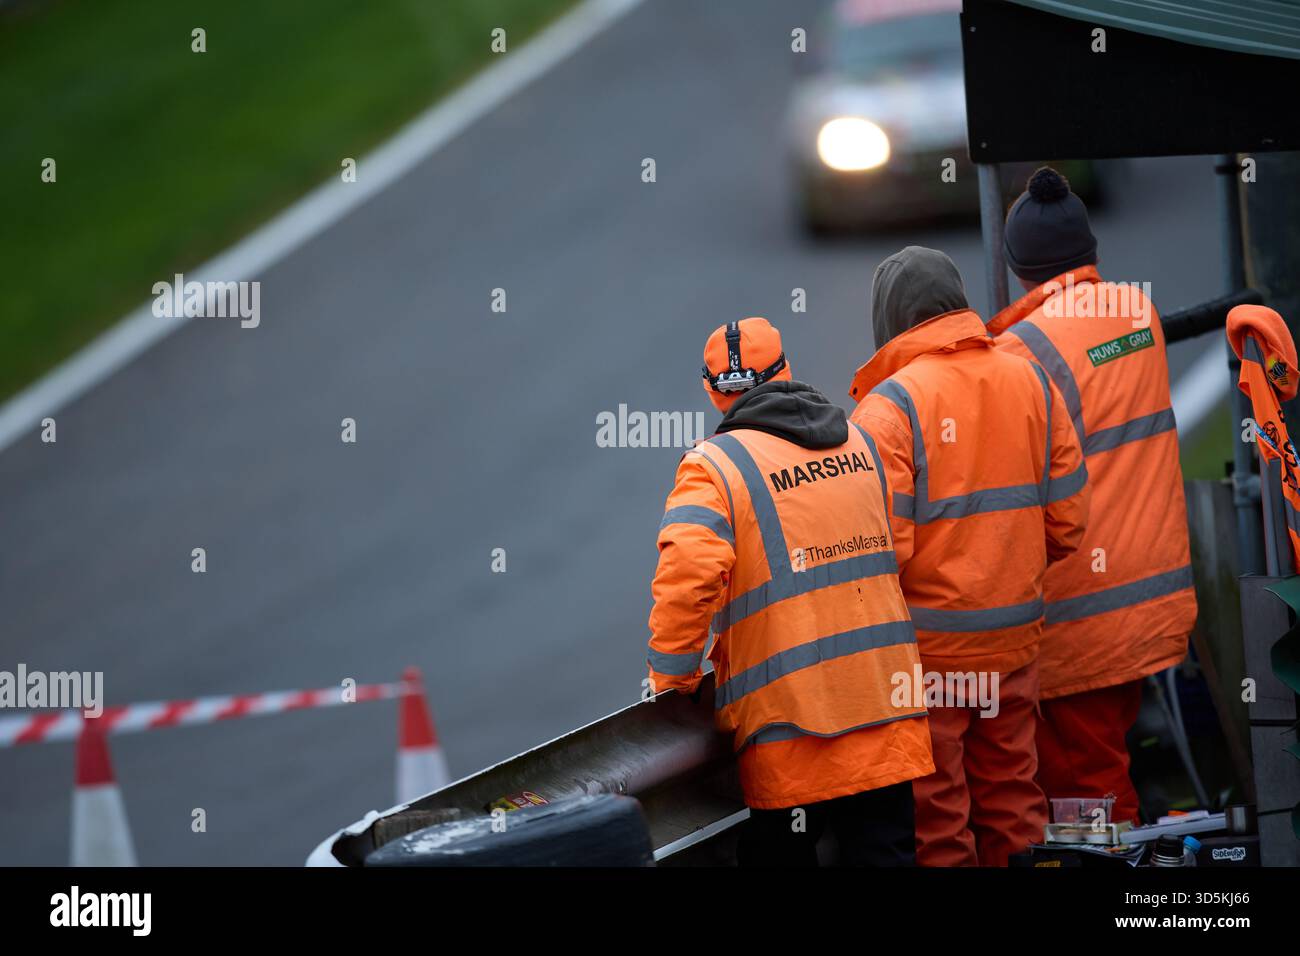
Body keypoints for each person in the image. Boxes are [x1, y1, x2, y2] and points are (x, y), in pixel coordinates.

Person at [646, 316, 934, 867]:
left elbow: (687, 581)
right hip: (884, 708)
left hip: (795, 729)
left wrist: (672, 680)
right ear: (786, 372)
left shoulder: (712, 468)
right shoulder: (861, 444)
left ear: (712, 391)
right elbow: (890, 553)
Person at [848, 247, 1089, 866]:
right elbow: (1067, 524)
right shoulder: (1031, 378)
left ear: (889, 321)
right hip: (1014, 644)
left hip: (930, 661)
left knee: (940, 821)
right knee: (1017, 808)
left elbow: (884, 557)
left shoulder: (888, 410)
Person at [987, 167, 1198, 825]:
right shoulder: (1137, 313)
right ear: (1089, 252)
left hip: (1078, 625)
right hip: (1154, 603)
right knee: (1109, 772)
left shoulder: (1020, 354)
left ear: (1018, 265)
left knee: (1089, 807)